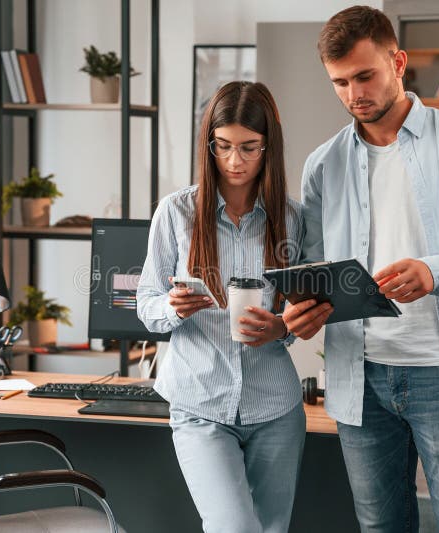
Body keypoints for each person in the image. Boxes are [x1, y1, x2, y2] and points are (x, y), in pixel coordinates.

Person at [281, 6, 439, 533]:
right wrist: (303, 308)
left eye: (365, 76)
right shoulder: (323, 164)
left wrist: (434, 271)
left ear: (399, 62)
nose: (353, 95)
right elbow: (315, 267)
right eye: (340, 83)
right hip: (358, 380)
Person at [137, 81, 305, 533]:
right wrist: (173, 307)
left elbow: (306, 307)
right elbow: (146, 303)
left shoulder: (291, 218)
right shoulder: (175, 213)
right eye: (224, 146)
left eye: (249, 148)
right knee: (235, 528)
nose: (235, 161)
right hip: (199, 404)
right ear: (208, 144)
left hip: (276, 407)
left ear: (269, 145)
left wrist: (282, 327)